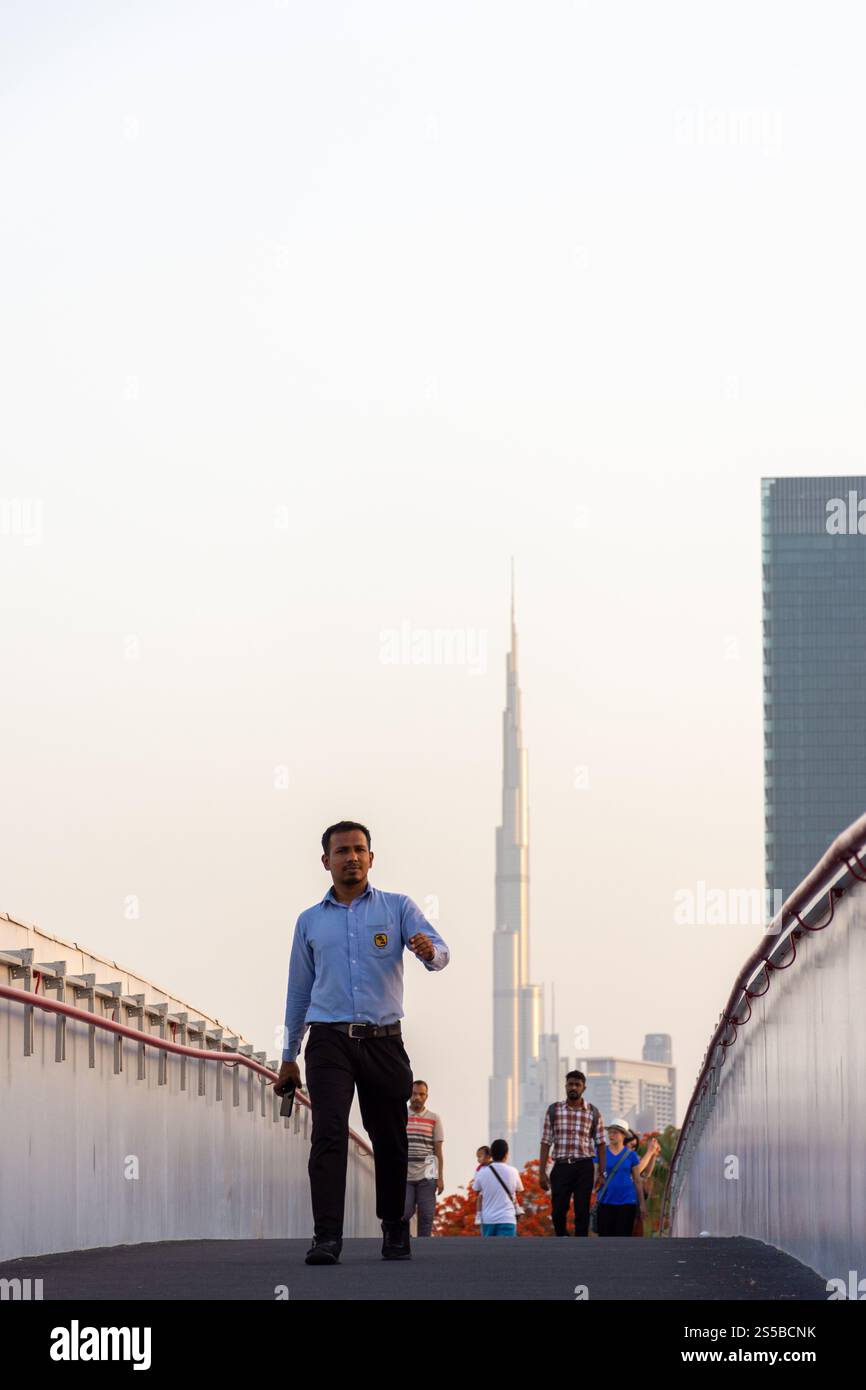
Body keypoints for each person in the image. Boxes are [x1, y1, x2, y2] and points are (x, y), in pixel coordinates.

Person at [272, 821, 450, 1265]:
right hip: (329, 1041)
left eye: (359, 850)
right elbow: (298, 990)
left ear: (372, 857)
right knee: (328, 1133)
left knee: (389, 1137)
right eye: (342, 851)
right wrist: (289, 1056)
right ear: (325, 861)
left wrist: (429, 953)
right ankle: (327, 1237)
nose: (351, 857)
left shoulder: (397, 908)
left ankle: (394, 1228)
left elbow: (441, 953)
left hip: (384, 1041)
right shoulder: (309, 922)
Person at [539, 1071, 606, 1236]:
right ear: (565, 1086)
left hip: (584, 1167)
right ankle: (562, 1239)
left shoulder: (593, 1112)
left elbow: (601, 1144)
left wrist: (601, 1173)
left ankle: (580, 1247)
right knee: (558, 1211)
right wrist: (541, 1172)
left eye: (577, 1084)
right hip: (561, 1167)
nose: (573, 1087)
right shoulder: (554, 1110)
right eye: (570, 1084)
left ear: (584, 1088)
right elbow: (546, 1141)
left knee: (582, 1210)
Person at [595, 1121, 658, 1237]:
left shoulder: (631, 1155)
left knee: (623, 1238)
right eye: (610, 1132)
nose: (611, 1135)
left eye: (615, 1132)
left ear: (623, 1135)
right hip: (605, 1201)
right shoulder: (601, 1152)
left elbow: (638, 1181)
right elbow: (594, 1176)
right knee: (604, 1239)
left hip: (627, 1202)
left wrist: (642, 1204)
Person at [403, 1080, 444, 1236]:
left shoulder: (434, 1118)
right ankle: (403, 1242)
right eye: (414, 1094)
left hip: (428, 1171)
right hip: (405, 1172)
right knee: (405, 1212)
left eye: (421, 1094)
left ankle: (423, 1248)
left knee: (426, 1215)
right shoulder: (401, 1115)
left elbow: (438, 1150)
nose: (417, 1097)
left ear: (426, 1096)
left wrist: (440, 1178)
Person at [470, 1138, 523, 1236]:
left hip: (488, 1220)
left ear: (492, 1154)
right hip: (507, 1218)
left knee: (489, 1251)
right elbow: (518, 1191)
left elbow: (476, 1191)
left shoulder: (482, 1172)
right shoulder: (513, 1171)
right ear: (506, 1154)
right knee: (507, 1250)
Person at [625, 1130, 657, 1236]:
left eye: (635, 1146)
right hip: (624, 1205)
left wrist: (653, 1155)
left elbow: (646, 1173)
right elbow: (638, 1170)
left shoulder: (633, 1157)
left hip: (635, 1205)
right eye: (631, 1145)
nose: (633, 1149)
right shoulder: (620, 1157)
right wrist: (650, 1152)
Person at [473, 1145, 491, 1227]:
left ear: (488, 1156)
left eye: (480, 1156)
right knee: (480, 1197)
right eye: (477, 1157)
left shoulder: (494, 1166)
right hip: (483, 1190)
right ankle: (478, 1214)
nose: (478, 1159)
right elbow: (476, 1184)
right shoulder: (479, 1169)